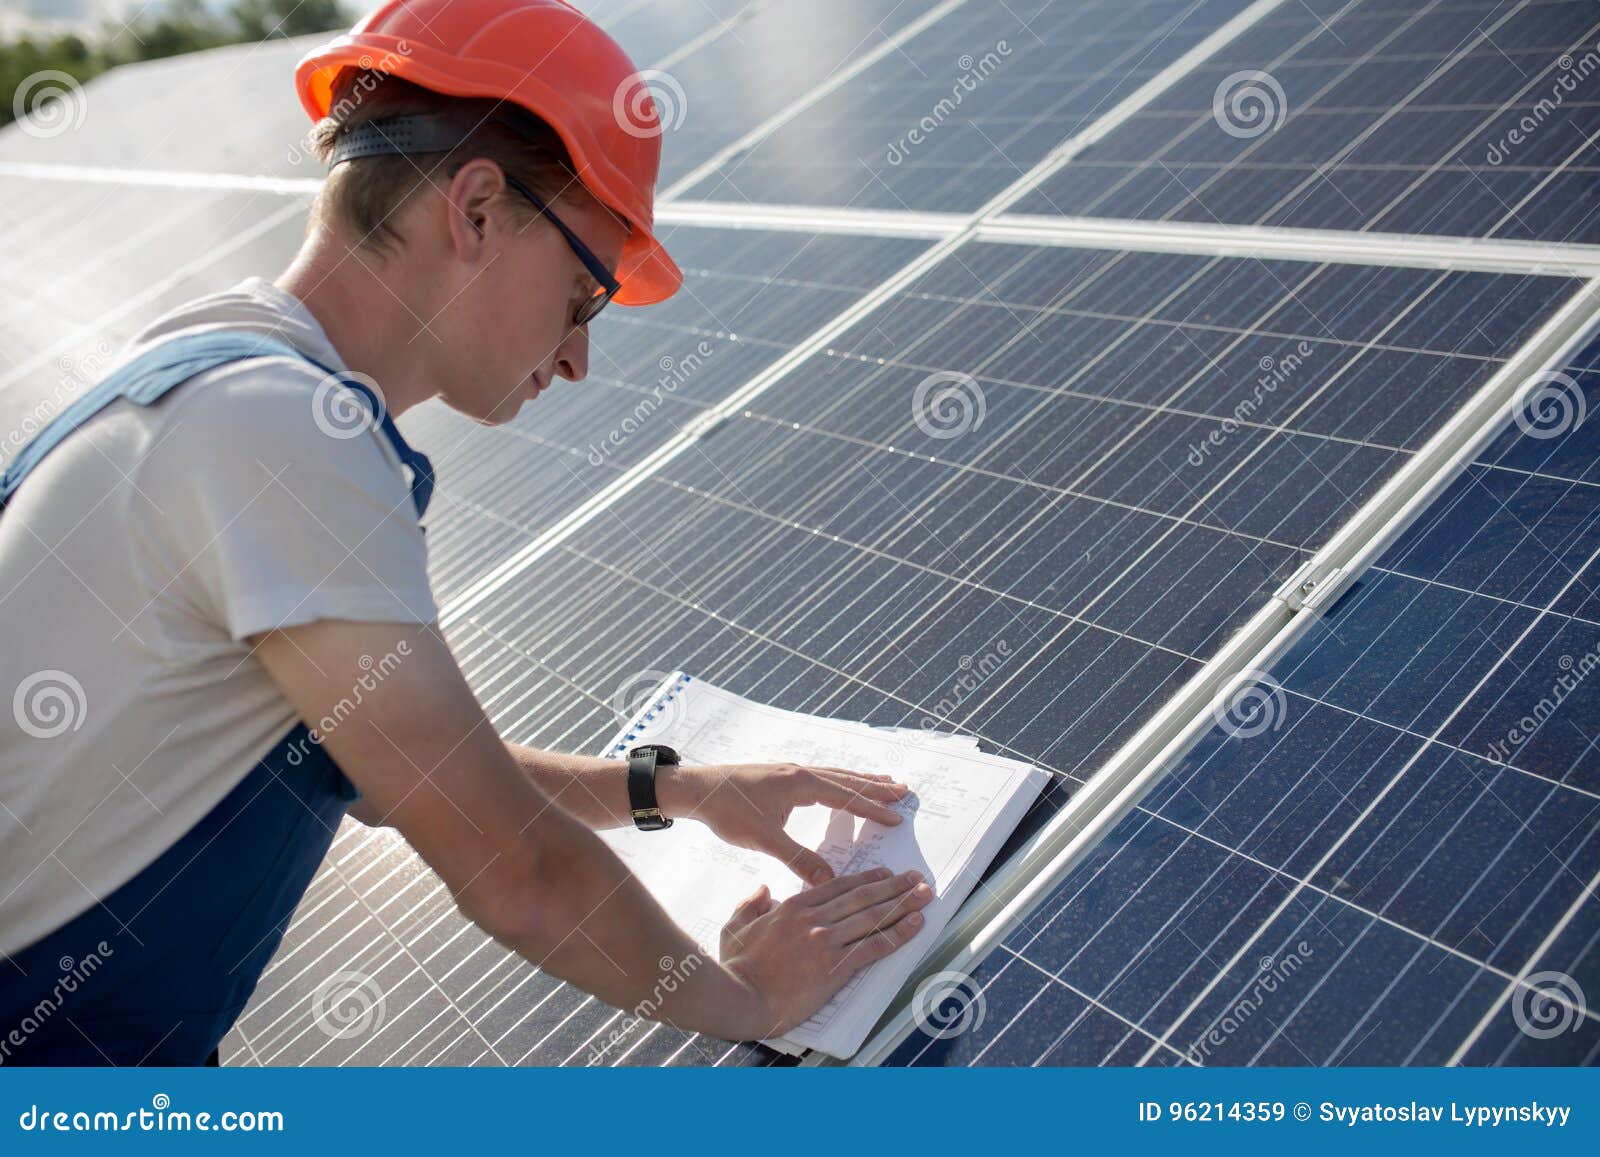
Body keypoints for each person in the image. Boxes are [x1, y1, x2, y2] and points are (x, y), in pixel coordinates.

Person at [0, 0, 931, 1066]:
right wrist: (748, 996)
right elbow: (518, 872)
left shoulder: (207, 377)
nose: (579, 357)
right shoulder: (278, 432)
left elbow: (415, 774)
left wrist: (679, 789)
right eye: (584, 297)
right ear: (479, 207)